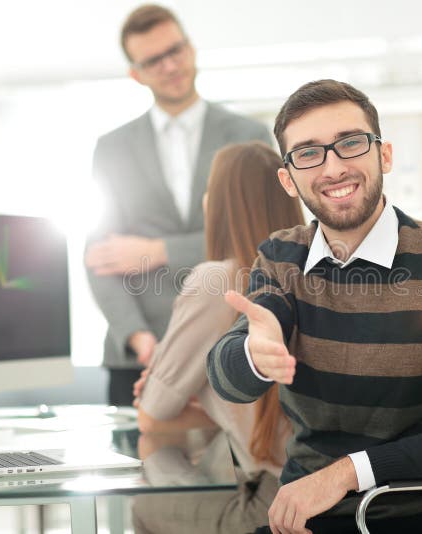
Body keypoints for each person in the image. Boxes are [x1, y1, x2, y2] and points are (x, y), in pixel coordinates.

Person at [207, 80, 422, 534]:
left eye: (350, 143)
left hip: (395, 522)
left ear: (384, 155)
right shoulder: (282, 256)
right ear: (288, 180)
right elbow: (227, 379)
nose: (333, 167)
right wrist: (254, 356)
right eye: (309, 153)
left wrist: (346, 473)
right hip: (296, 521)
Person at [84, 4, 271, 406]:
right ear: (136, 73)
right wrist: (138, 339)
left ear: (191, 48)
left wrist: (157, 251)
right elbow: (99, 258)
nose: (170, 65)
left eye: (176, 50)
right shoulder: (111, 149)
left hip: (229, 348)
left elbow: (260, 239)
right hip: (137, 356)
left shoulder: (249, 137)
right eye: (154, 60)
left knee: (233, 469)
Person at [131, 141, 305, 534]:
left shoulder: (218, 280)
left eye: (209, 189)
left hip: (274, 505)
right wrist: (205, 400)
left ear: (224, 203)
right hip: (313, 496)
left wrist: (177, 396)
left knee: (144, 506)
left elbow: (151, 419)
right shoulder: (312, 275)